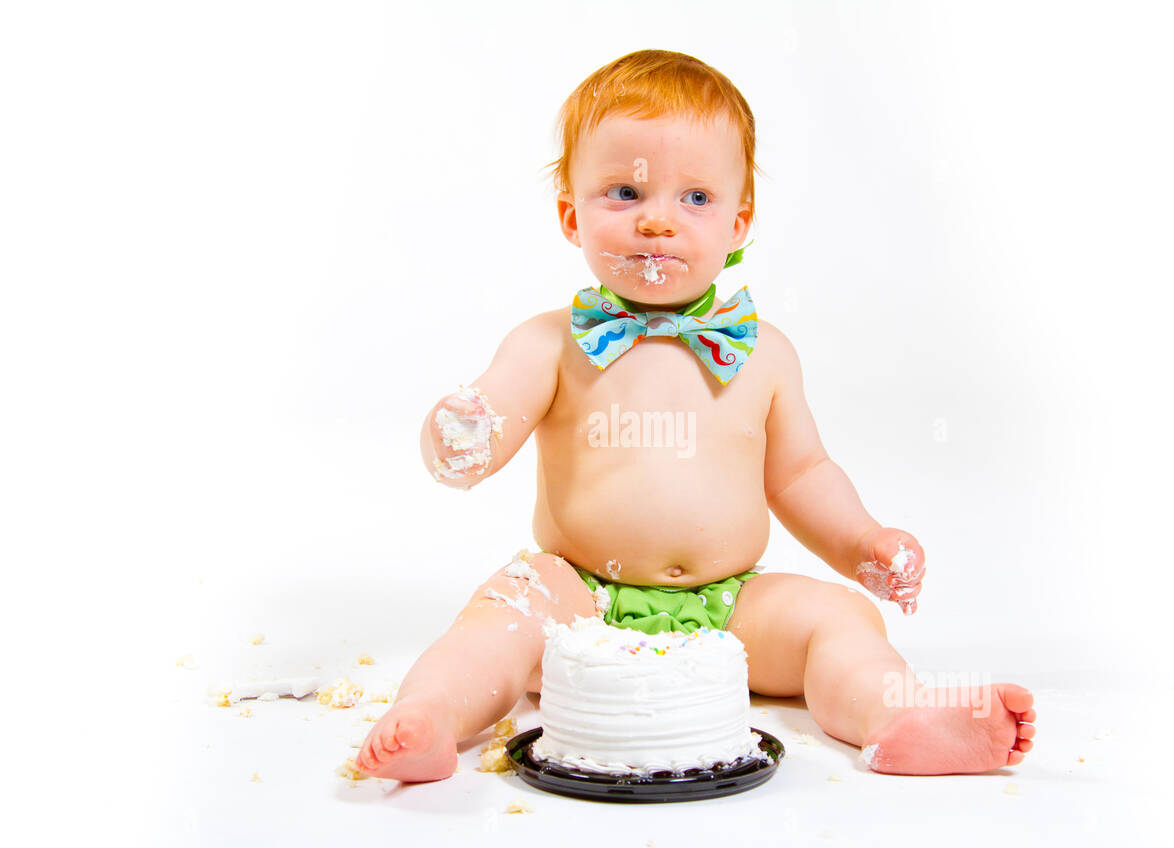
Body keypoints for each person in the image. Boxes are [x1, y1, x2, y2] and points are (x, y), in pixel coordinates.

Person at [355, 49, 1035, 781]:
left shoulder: (766, 354)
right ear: (570, 215)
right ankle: (426, 717)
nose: (657, 222)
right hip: (580, 596)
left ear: (740, 222)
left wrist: (863, 542)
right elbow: (485, 423)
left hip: (733, 607)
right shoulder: (548, 344)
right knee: (501, 614)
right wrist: (458, 435)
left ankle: (899, 717)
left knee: (839, 622)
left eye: (696, 199)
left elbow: (803, 472)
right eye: (623, 192)